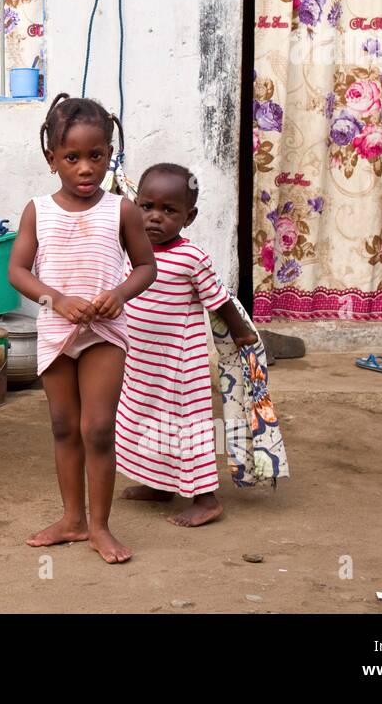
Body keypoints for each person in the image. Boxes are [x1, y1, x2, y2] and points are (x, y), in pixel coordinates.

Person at [7, 93, 157, 564]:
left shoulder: (122, 211)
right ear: (52, 160)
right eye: (72, 158)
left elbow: (145, 266)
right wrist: (57, 300)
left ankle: (99, 526)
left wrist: (120, 295)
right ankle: (72, 519)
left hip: (104, 336)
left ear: (110, 156)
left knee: (97, 429)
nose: (85, 168)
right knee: (62, 426)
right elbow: (18, 271)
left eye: (96, 156)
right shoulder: (38, 210)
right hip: (56, 331)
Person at [115, 162, 264, 526]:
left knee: (189, 429)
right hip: (141, 362)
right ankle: (159, 483)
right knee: (144, 419)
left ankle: (206, 499)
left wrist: (242, 333)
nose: (154, 218)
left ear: (189, 216)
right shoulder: (130, 249)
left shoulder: (191, 258)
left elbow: (220, 299)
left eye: (169, 210)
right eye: (147, 206)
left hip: (181, 365)